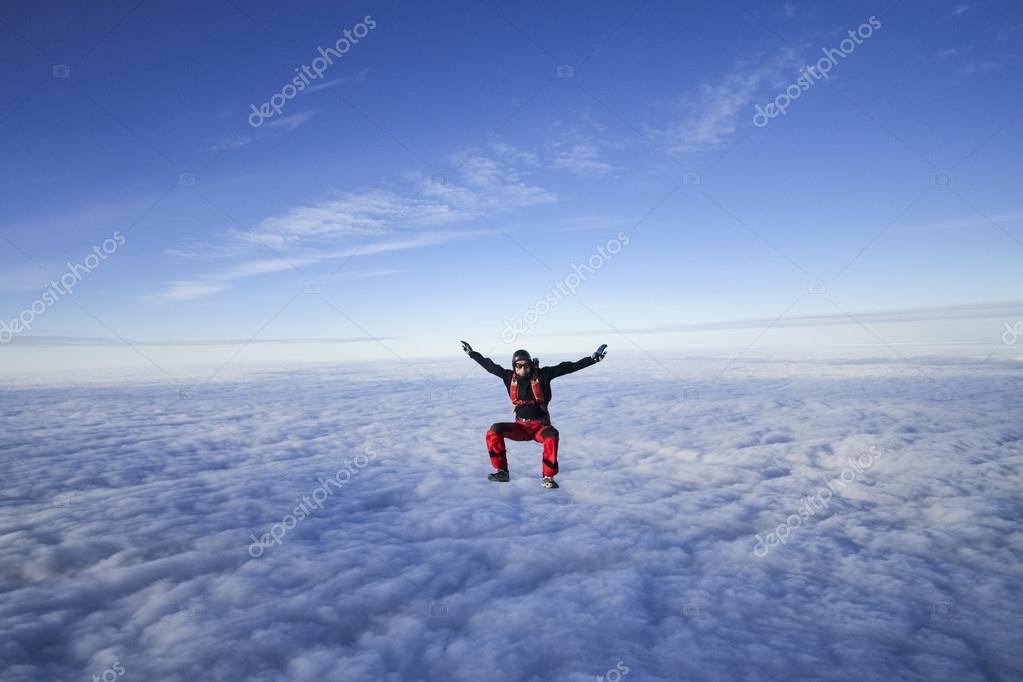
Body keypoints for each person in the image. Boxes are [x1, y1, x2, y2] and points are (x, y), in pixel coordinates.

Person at [460, 341, 607, 489]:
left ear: (530, 365)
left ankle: (548, 477)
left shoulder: (543, 376)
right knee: (494, 430)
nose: (522, 368)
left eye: (526, 365)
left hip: (540, 428)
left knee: (552, 434)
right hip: (521, 428)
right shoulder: (508, 377)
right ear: (514, 366)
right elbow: (489, 366)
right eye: (519, 365)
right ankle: (502, 471)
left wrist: (593, 359)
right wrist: (472, 354)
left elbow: (567, 367)